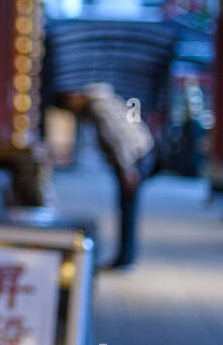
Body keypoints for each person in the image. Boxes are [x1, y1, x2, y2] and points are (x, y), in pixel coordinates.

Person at [60, 83, 157, 269]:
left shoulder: (97, 107)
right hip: (139, 153)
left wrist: (127, 169)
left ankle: (126, 258)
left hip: (135, 157)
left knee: (128, 208)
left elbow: (117, 139)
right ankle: (125, 256)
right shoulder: (103, 100)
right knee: (127, 207)